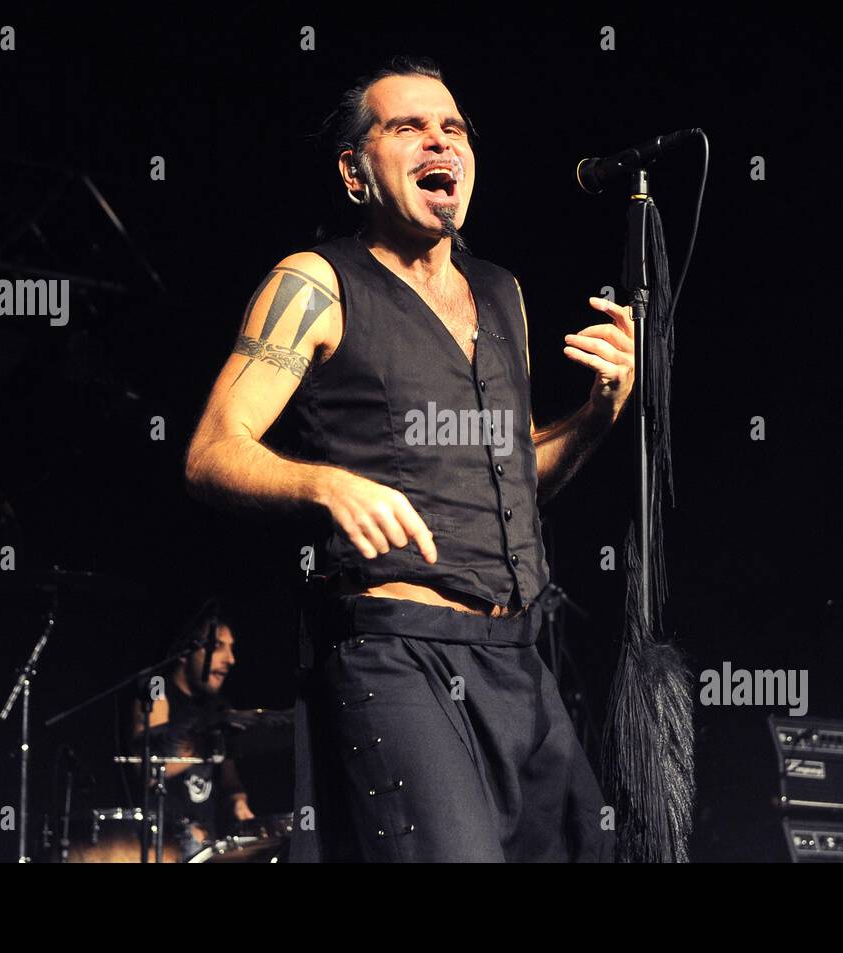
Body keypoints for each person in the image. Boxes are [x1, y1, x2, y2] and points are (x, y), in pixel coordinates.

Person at [184, 55, 633, 861]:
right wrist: (323, 483)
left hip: (522, 659)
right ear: (355, 174)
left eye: (454, 128)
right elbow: (213, 451)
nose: (440, 142)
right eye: (409, 127)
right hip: (398, 655)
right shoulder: (316, 283)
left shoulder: (501, 292)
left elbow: (519, 480)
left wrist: (599, 413)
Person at [128, 603, 254, 859]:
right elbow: (149, 767)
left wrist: (238, 800)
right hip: (161, 840)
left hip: (207, 840)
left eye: (231, 648)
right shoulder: (156, 687)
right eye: (218, 646)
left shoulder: (220, 707)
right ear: (186, 651)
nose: (231, 659)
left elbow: (229, 777)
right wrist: (202, 740)